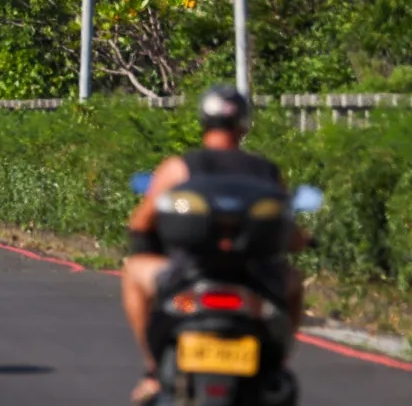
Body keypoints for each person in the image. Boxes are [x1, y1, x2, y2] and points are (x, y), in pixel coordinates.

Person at [120, 86, 306, 404]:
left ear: (203, 121)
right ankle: (277, 365)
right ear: (244, 124)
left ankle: (152, 370)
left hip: (188, 274)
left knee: (133, 272)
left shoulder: (179, 167)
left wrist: (147, 244)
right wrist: (305, 241)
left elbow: (140, 223)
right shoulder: (266, 171)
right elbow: (290, 233)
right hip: (254, 279)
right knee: (295, 283)